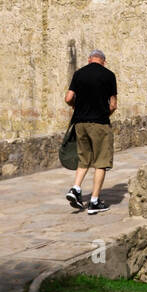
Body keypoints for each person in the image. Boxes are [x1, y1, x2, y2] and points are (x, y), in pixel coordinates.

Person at [65, 49, 117, 214]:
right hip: (99, 123)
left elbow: (68, 98)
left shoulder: (79, 73)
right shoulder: (109, 75)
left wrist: (75, 107)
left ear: (89, 60)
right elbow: (113, 104)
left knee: (84, 159)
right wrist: (105, 115)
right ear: (104, 61)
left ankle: (75, 188)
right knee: (101, 162)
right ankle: (94, 201)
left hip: (80, 123)